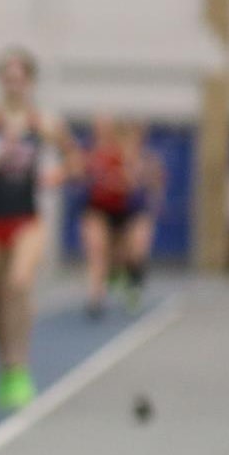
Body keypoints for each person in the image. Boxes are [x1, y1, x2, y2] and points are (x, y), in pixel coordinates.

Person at [0, 48, 82, 413]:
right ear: (0, 81)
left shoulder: (44, 123)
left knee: (19, 285)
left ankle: (20, 365)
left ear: (30, 81)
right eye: (7, 78)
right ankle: (5, 369)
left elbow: (75, 159)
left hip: (26, 220)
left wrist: (57, 174)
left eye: (20, 77)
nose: (14, 84)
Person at [79, 115, 163, 316]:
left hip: (133, 211)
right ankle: (95, 297)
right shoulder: (101, 154)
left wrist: (152, 200)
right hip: (101, 210)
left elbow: (148, 183)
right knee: (98, 250)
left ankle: (133, 281)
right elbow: (86, 175)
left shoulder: (146, 159)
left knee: (134, 250)